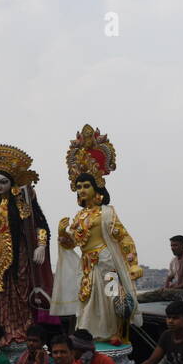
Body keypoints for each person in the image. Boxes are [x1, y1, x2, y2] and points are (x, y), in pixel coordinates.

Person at [50, 125, 143, 343]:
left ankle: (114, 333)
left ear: (97, 188)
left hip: (107, 263)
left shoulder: (107, 213)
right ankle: (89, 337)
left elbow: (124, 238)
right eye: (79, 186)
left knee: (112, 300)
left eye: (86, 186)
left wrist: (133, 264)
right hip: (87, 266)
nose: (82, 190)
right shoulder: (80, 216)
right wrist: (62, 232)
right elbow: (71, 243)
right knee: (88, 303)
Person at [0, 145, 55, 344]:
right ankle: (4, 330)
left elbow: (38, 226)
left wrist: (41, 245)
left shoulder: (21, 204)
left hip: (19, 255)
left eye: (3, 182)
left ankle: (21, 331)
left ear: (12, 182)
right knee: (1, 295)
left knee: (19, 292)